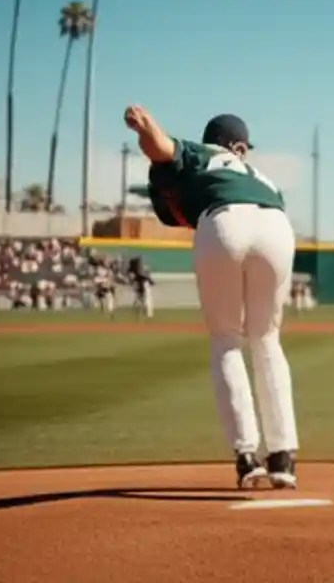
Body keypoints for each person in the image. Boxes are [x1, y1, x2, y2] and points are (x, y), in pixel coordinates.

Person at [124, 104, 299, 490]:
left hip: (224, 221)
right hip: (277, 226)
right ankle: (284, 457)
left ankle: (246, 457)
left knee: (226, 339)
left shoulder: (204, 154)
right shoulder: (263, 177)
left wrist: (144, 124)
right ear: (238, 146)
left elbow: (160, 148)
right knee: (267, 339)